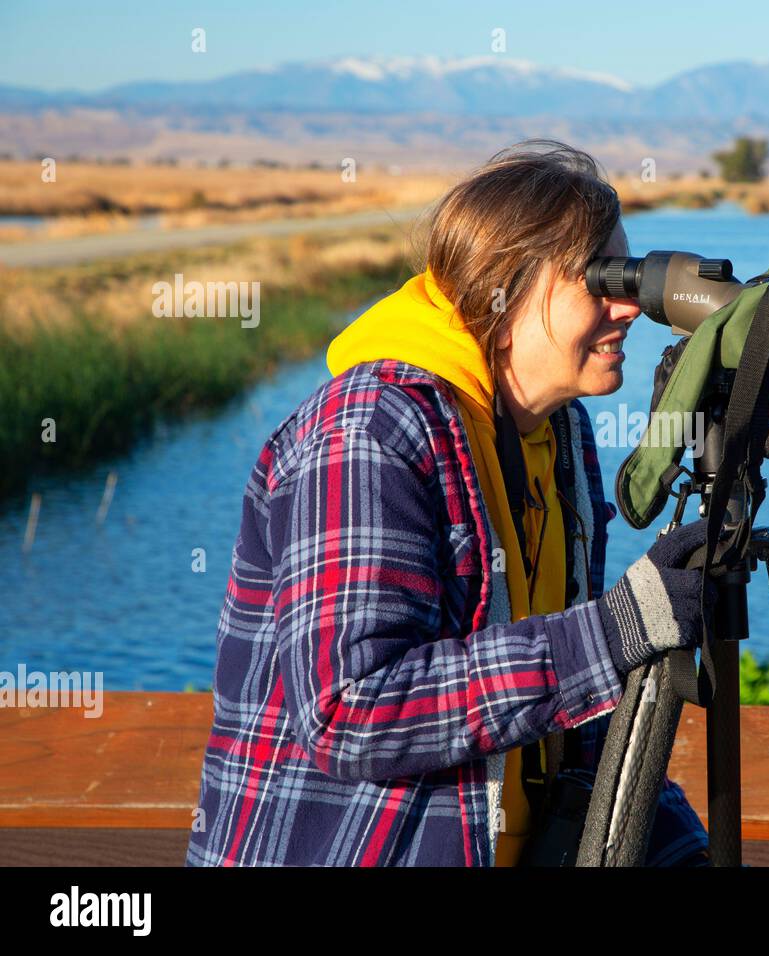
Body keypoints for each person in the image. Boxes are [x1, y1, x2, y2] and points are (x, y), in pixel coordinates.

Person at [185, 139, 714, 867]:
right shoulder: (370, 431)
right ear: (509, 283)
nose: (630, 307)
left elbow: (571, 725)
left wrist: (681, 849)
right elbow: (350, 714)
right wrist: (611, 634)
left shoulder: (557, 430)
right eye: (602, 278)